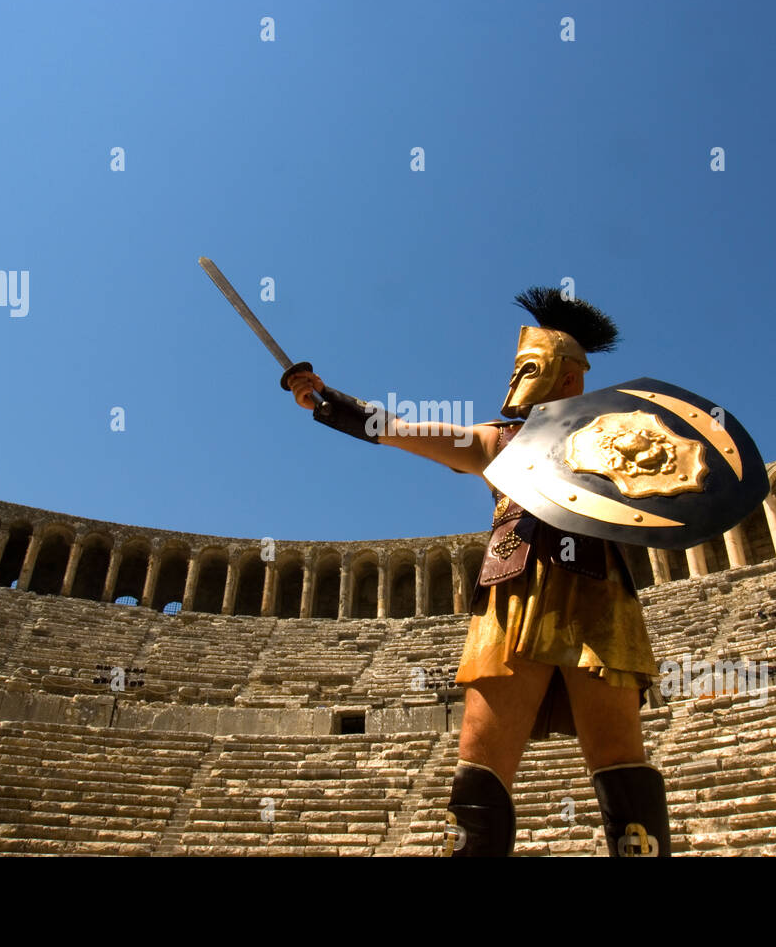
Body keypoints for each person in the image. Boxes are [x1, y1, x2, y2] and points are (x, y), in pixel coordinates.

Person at [286, 287, 671, 857]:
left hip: (597, 594)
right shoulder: (499, 440)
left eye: (532, 368)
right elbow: (400, 430)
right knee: (480, 769)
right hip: (512, 593)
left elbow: (669, 490)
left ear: (568, 378)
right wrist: (329, 401)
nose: (518, 378)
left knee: (621, 764)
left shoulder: (619, 440)